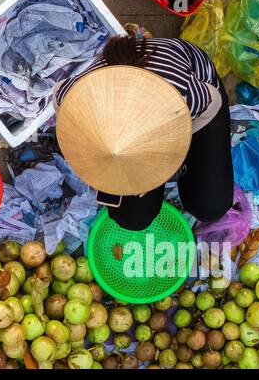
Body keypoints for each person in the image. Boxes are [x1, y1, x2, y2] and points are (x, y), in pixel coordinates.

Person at [55, 35, 233, 232]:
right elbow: (58, 94)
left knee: (210, 206)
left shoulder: (184, 95)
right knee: (132, 218)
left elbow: (211, 104)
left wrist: (178, 148)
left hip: (201, 102)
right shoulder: (75, 98)